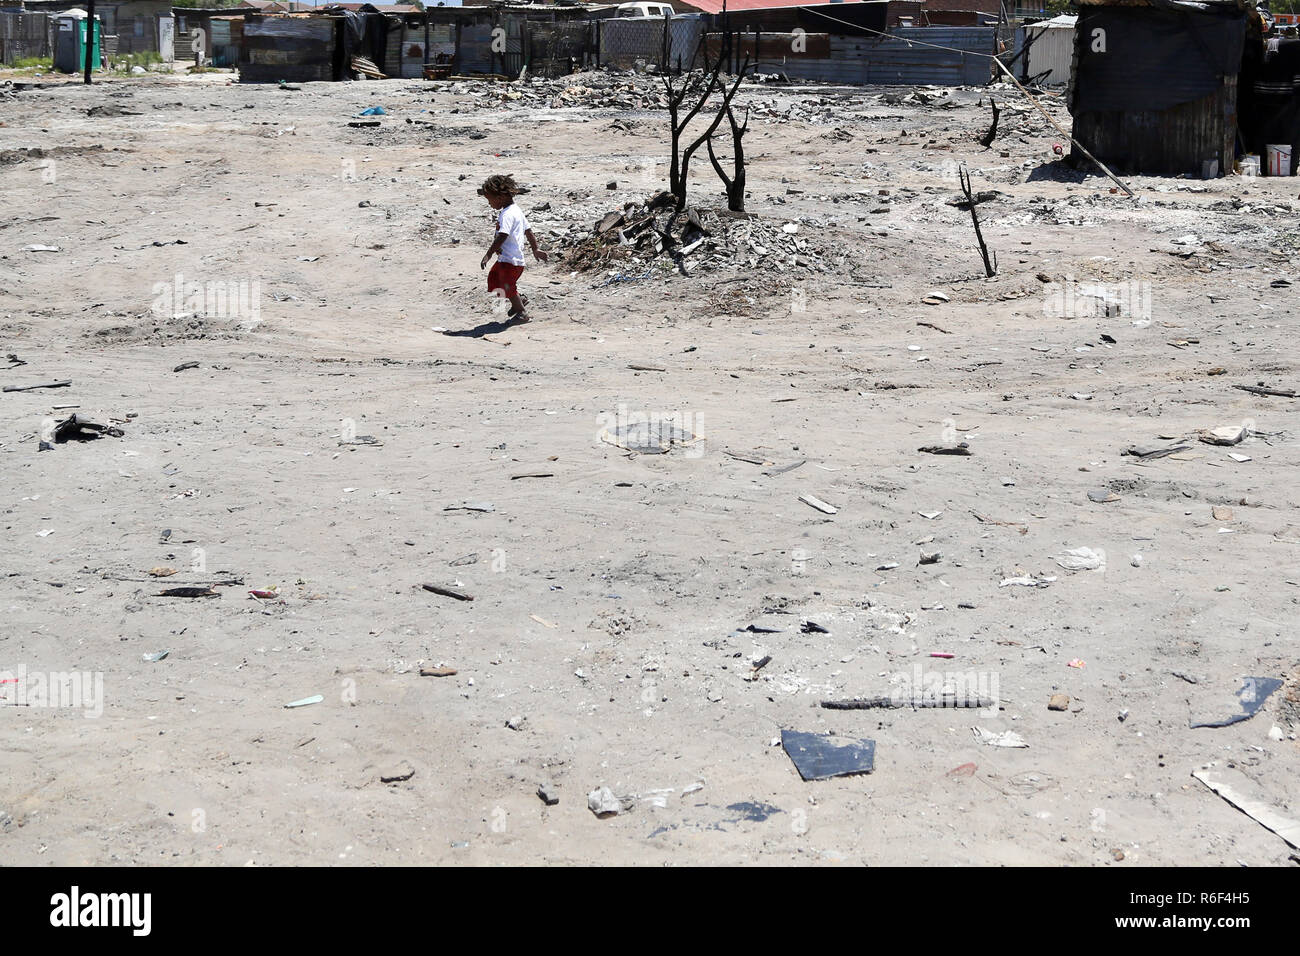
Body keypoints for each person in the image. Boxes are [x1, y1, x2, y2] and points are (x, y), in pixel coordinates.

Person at [479, 174, 547, 323]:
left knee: (505, 285)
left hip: (511, 260)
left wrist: (488, 254)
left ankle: (522, 313)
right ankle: (519, 300)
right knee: (494, 280)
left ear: (500, 197)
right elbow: (528, 231)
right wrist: (535, 249)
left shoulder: (508, 214)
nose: (489, 204)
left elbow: (502, 235)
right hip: (508, 259)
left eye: (489, 199)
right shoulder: (516, 210)